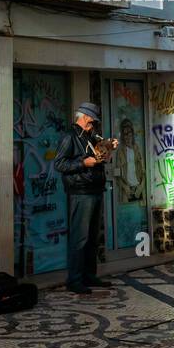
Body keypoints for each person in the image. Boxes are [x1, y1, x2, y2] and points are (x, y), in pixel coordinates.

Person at [53, 102, 118, 294]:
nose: (93, 124)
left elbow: (101, 155)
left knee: (92, 238)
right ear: (83, 117)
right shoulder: (69, 136)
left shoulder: (91, 136)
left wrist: (109, 149)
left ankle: (89, 276)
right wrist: (83, 162)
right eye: (91, 121)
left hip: (95, 189)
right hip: (80, 192)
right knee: (80, 238)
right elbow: (59, 164)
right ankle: (74, 280)